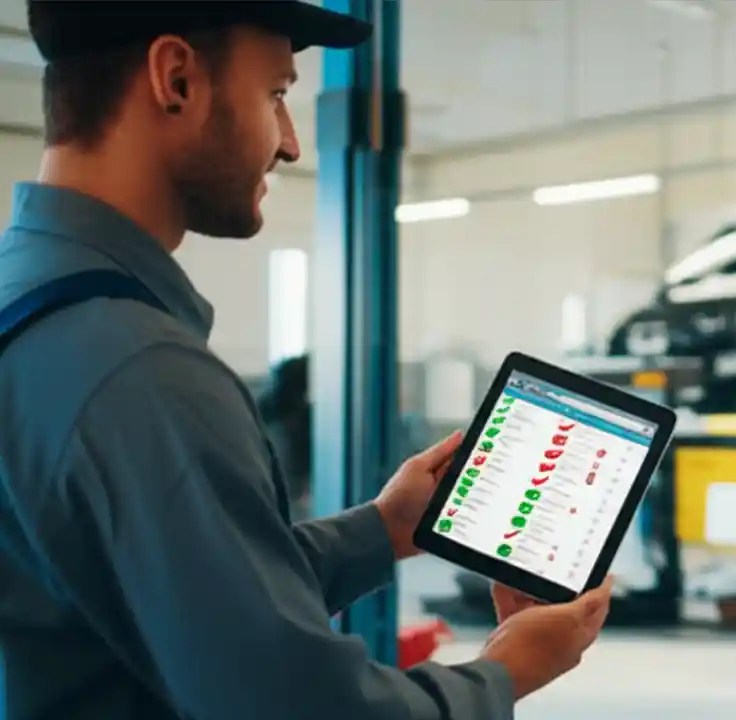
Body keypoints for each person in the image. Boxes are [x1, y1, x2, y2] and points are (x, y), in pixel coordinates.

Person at [0, 3, 611, 719]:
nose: (290, 144)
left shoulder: (29, 296)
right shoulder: (139, 369)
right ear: (176, 79)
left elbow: (188, 604)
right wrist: (506, 673)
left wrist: (382, 530)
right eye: (276, 94)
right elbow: (298, 705)